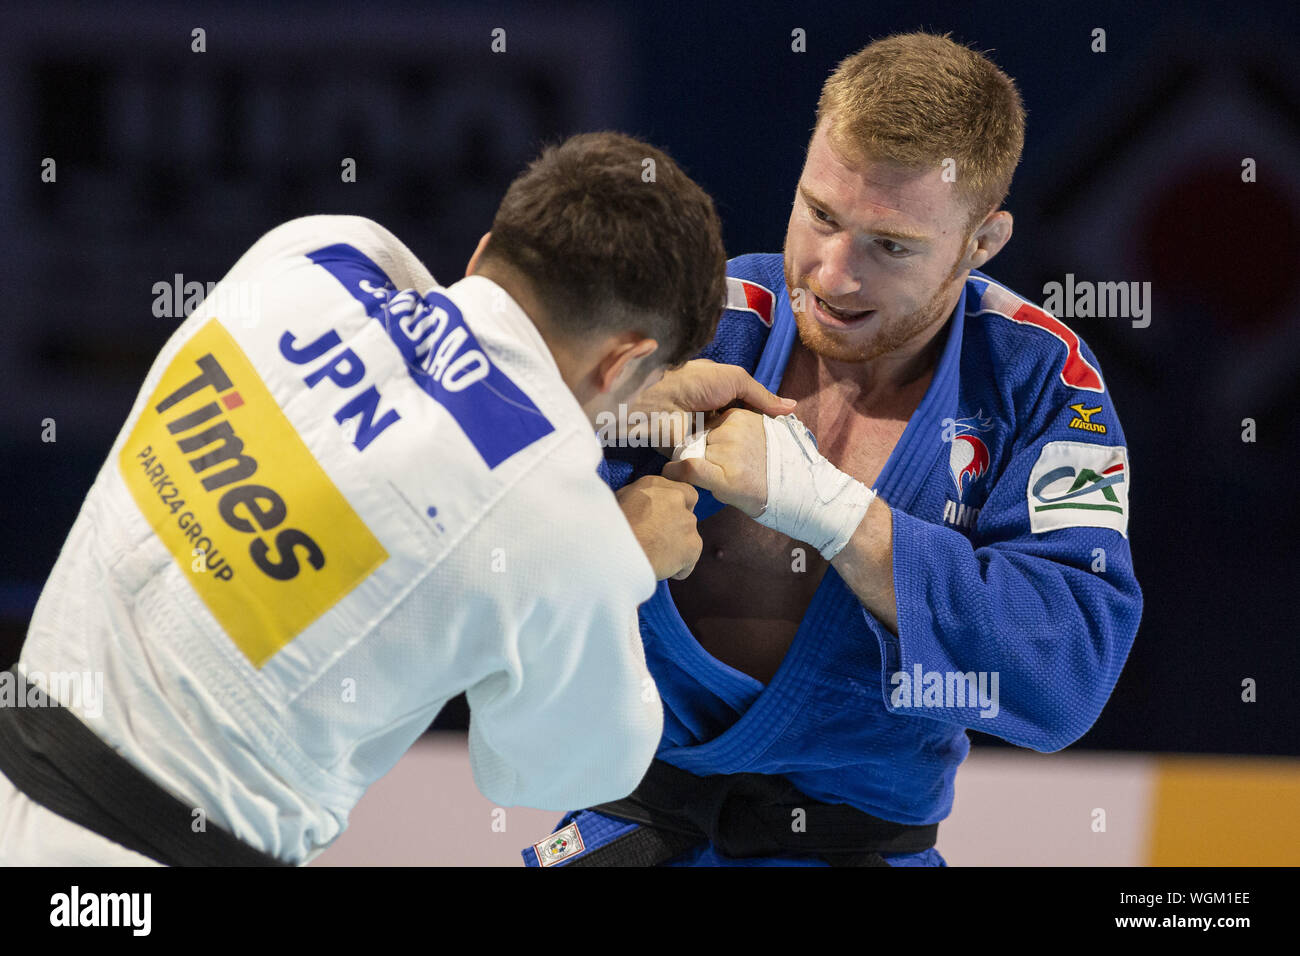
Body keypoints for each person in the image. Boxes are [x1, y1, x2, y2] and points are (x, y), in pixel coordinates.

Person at [0, 131, 790, 866]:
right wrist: (627, 561)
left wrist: (606, 401)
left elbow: (458, 345)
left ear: (486, 249)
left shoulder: (315, 250)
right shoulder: (564, 529)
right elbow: (548, 771)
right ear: (626, 360)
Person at [523, 34, 1143, 868]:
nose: (833, 274)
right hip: (634, 828)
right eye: (821, 214)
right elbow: (434, 504)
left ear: (981, 242)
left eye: (891, 245)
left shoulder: (1044, 380)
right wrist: (590, 435)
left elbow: (1065, 675)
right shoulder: (694, 317)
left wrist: (837, 514)